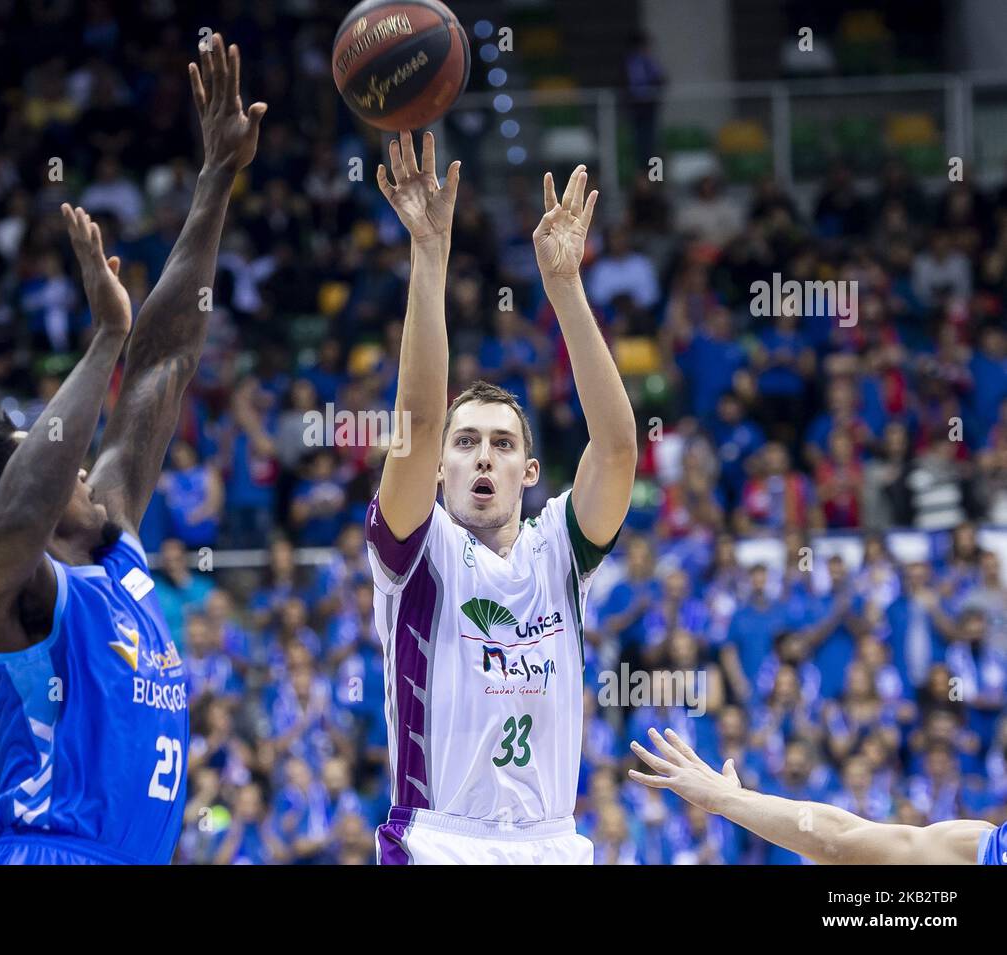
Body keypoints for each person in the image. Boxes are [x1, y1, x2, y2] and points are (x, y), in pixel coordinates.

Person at [0, 34, 264, 865]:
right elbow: (30, 500)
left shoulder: (116, 549)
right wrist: (105, 336)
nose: (75, 459)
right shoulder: (0, 589)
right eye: (42, 448)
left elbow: (168, 363)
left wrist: (217, 177)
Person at [367, 133, 636, 864]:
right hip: (441, 842)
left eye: (503, 443)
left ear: (529, 471)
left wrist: (565, 289)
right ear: (437, 471)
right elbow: (418, 421)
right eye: (466, 442)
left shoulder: (558, 550)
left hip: (552, 843)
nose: (483, 453)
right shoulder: (418, 552)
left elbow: (616, 448)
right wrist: (429, 255)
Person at [629, 726, 1004, 865]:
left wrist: (731, 801)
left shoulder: (977, 844)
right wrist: (730, 801)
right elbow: (841, 841)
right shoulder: (986, 847)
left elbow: (840, 843)